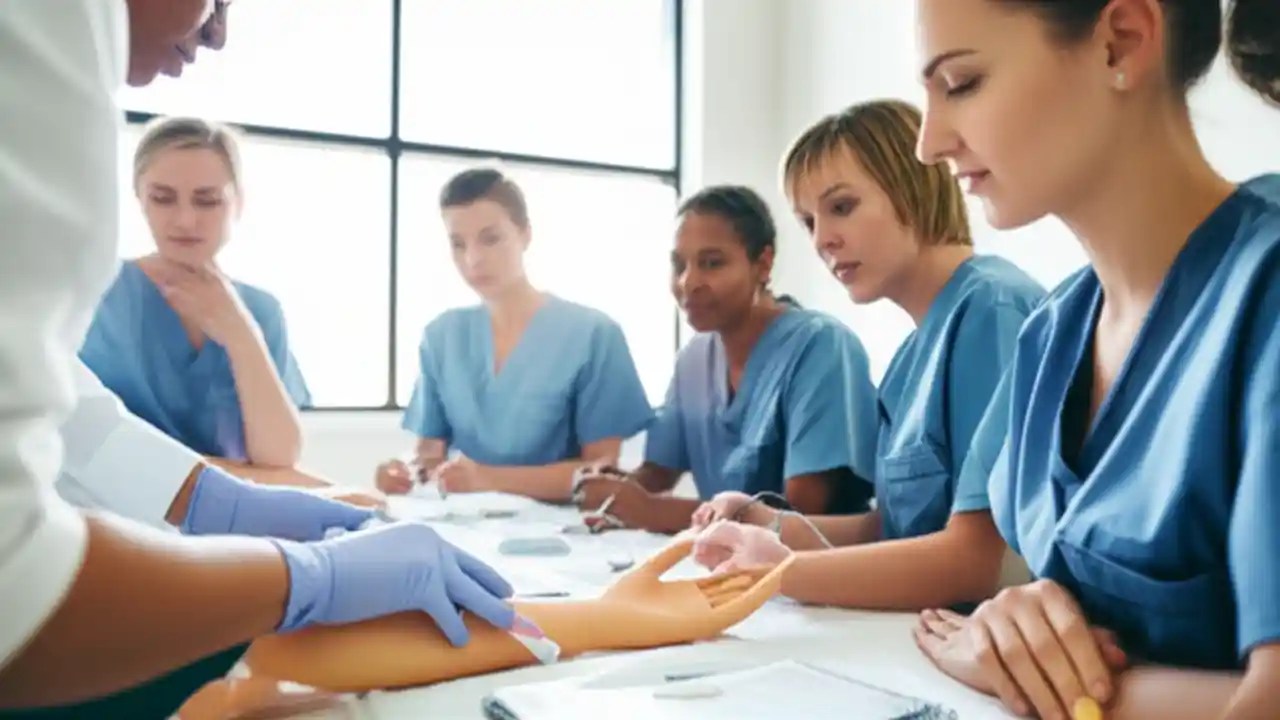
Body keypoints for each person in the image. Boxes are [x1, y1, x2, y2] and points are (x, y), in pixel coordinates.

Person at [0, 2, 514, 715]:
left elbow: (75, 422)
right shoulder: (42, 35)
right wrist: (307, 577)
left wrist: (220, 501)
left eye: (207, 200)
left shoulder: (255, 308)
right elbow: (20, 587)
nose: (219, 31)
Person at [905, 0, 1280, 718]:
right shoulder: (1050, 336)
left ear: (1121, 42)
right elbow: (1053, 602)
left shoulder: (1264, 291)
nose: (929, 144)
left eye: (961, 84)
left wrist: (1060, 686)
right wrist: (1013, 625)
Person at [689, 100, 1046, 611]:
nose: (822, 239)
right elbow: (890, 531)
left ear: (912, 186)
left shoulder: (993, 308)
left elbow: (978, 563)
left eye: (842, 207)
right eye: (808, 221)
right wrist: (762, 520)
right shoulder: (911, 357)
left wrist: (782, 572)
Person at [574, 185, 879, 534]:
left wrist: (649, 511)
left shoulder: (820, 346)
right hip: (724, 555)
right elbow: (658, 474)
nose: (688, 282)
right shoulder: (693, 359)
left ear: (762, 264)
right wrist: (614, 485)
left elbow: (799, 513)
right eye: (679, 265)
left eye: (712, 263)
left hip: (810, 562)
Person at [375, 168, 654, 502]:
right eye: (458, 244)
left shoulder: (594, 335)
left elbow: (601, 473)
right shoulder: (441, 337)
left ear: (525, 234)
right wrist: (403, 473)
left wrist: (487, 479)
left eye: (490, 239)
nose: (473, 259)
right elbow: (429, 457)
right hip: (459, 520)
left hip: (560, 526)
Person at [79, 115, 310, 470]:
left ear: (238, 203)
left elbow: (279, 458)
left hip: (229, 499)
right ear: (140, 199)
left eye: (207, 201)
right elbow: (85, 444)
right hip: (118, 496)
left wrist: (241, 334)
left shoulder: (261, 311)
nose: (185, 220)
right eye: (163, 199)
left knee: (350, 496)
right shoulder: (98, 293)